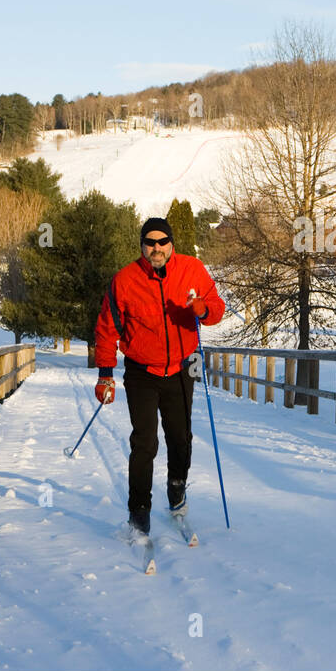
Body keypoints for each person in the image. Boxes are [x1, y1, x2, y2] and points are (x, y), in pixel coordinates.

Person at [93, 217, 225, 535]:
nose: (157, 248)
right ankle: (139, 511)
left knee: (180, 438)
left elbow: (217, 308)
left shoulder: (192, 269)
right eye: (150, 242)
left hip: (182, 367)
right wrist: (105, 374)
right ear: (142, 246)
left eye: (162, 241)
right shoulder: (125, 280)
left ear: (171, 244)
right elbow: (107, 329)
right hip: (141, 371)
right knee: (145, 442)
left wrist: (203, 309)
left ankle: (177, 489)